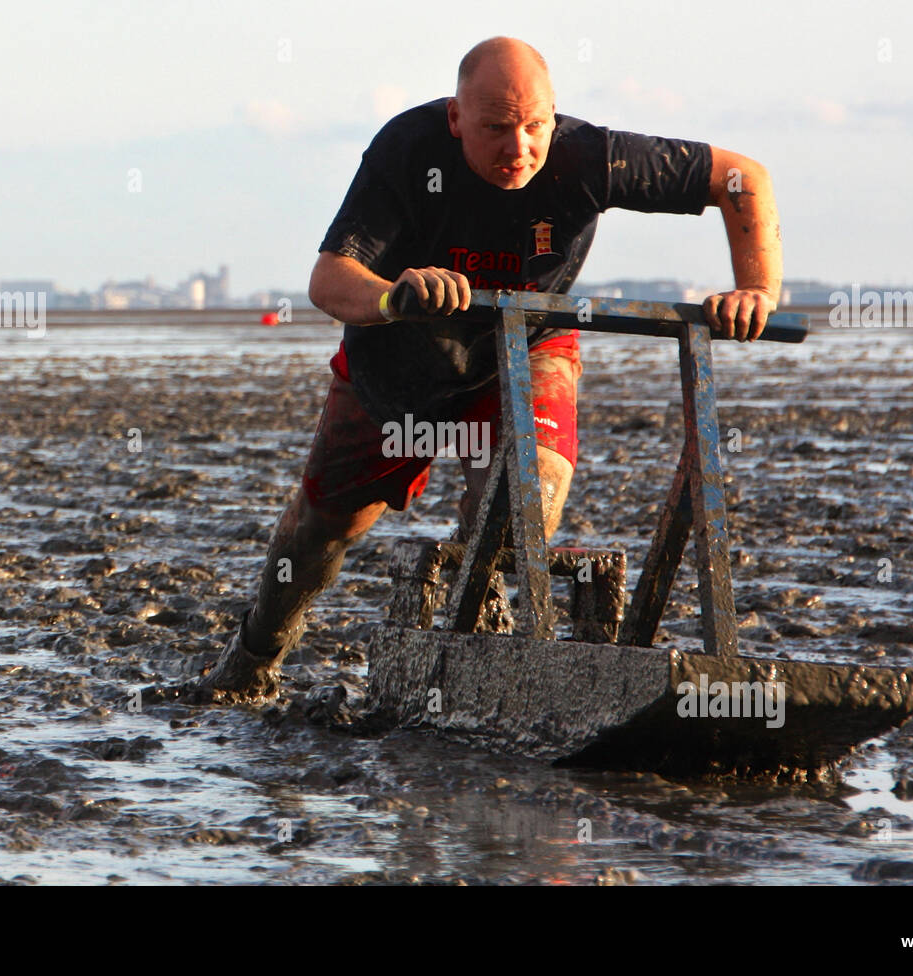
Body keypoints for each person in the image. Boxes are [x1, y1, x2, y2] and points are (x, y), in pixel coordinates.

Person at [194, 35, 782, 701]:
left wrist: (755, 289)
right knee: (324, 530)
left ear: (553, 117)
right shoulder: (410, 149)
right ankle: (252, 659)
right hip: (400, 356)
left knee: (529, 493)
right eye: (497, 130)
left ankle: (473, 645)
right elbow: (331, 279)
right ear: (455, 118)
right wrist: (393, 295)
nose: (519, 149)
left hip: (525, 347)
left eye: (534, 127)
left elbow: (743, 180)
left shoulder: (591, 156)